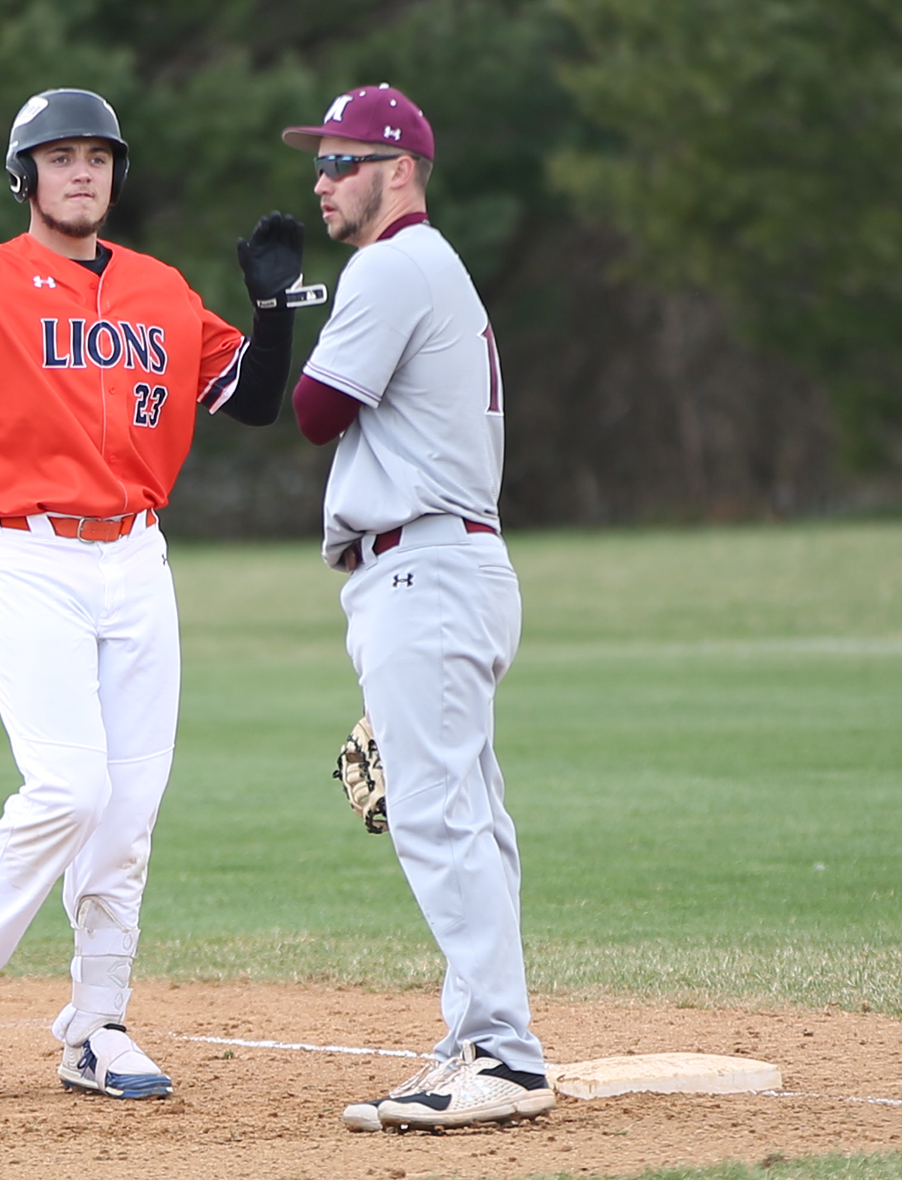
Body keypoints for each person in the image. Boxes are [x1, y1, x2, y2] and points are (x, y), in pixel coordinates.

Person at [0, 89, 309, 1100]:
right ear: (25, 178)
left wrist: (272, 308)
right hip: (26, 553)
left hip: (136, 558)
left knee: (127, 809)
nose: (83, 173)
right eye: (60, 158)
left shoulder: (160, 291)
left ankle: (96, 1026)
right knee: (68, 786)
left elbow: (257, 401)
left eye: (98, 156)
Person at [279, 84, 557, 1131]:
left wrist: (285, 318)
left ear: (400, 168)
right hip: (446, 565)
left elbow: (314, 413)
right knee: (465, 814)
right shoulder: (427, 269)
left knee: (441, 817)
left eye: (343, 161)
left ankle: (503, 1054)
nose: (323, 180)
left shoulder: (392, 264)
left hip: (423, 568)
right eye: (321, 162)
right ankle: (481, 1037)